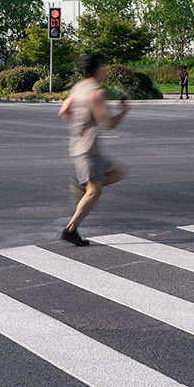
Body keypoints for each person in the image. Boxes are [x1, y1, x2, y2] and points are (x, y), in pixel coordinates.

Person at [58, 52, 128, 247]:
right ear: (97, 69)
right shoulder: (96, 92)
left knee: (118, 172)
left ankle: (83, 186)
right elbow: (107, 123)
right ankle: (70, 230)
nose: (105, 70)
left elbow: (63, 111)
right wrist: (123, 111)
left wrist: (80, 124)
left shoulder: (79, 88)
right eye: (103, 66)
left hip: (81, 146)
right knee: (95, 192)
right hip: (88, 150)